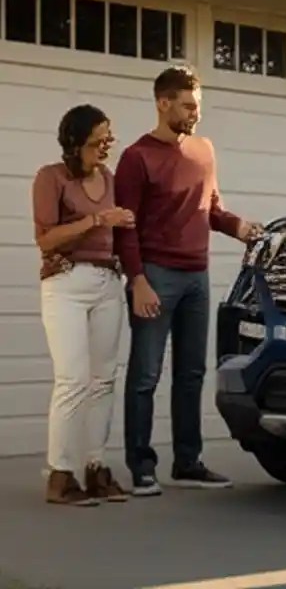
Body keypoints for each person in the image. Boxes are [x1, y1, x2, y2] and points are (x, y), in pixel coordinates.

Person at [114, 65, 263, 496]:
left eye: (198, 106)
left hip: (197, 275)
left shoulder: (203, 150)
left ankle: (188, 462)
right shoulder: (136, 158)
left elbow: (211, 208)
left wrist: (239, 227)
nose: (195, 114)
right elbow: (126, 228)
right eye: (187, 106)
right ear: (162, 103)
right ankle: (142, 467)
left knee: (192, 373)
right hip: (156, 276)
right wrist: (137, 280)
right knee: (145, 374)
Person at [32, 104, 135, 506]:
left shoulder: (107, 178)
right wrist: (97, 221)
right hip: (66, 284)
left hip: (107, 281)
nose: (105, 146)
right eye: (98, 138)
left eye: (109, 137)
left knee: (104, 380)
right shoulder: (51, 178)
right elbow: (46, 239)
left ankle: (96, 468)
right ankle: (60, 475)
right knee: (72, 380)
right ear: (76, 141)